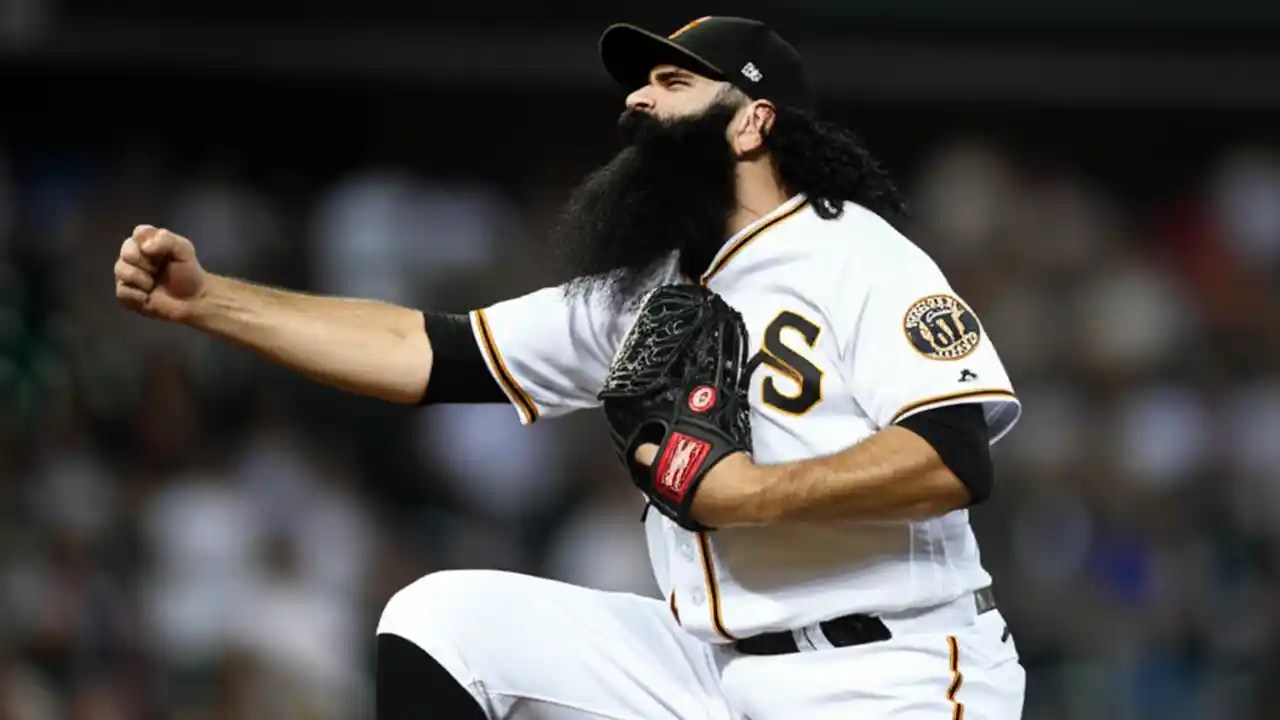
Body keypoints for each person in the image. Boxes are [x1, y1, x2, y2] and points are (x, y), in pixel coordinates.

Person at [114, 15, 1026, 720]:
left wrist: (745, 495)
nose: (639, 101)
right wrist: (211, 302)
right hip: (710, 670)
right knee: (444, 623)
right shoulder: (645, 296)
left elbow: (951, 456)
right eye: (642, 84)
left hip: (892, 672)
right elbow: (422, 351)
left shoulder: (857, 253)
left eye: (673, 82)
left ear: (753, 123)